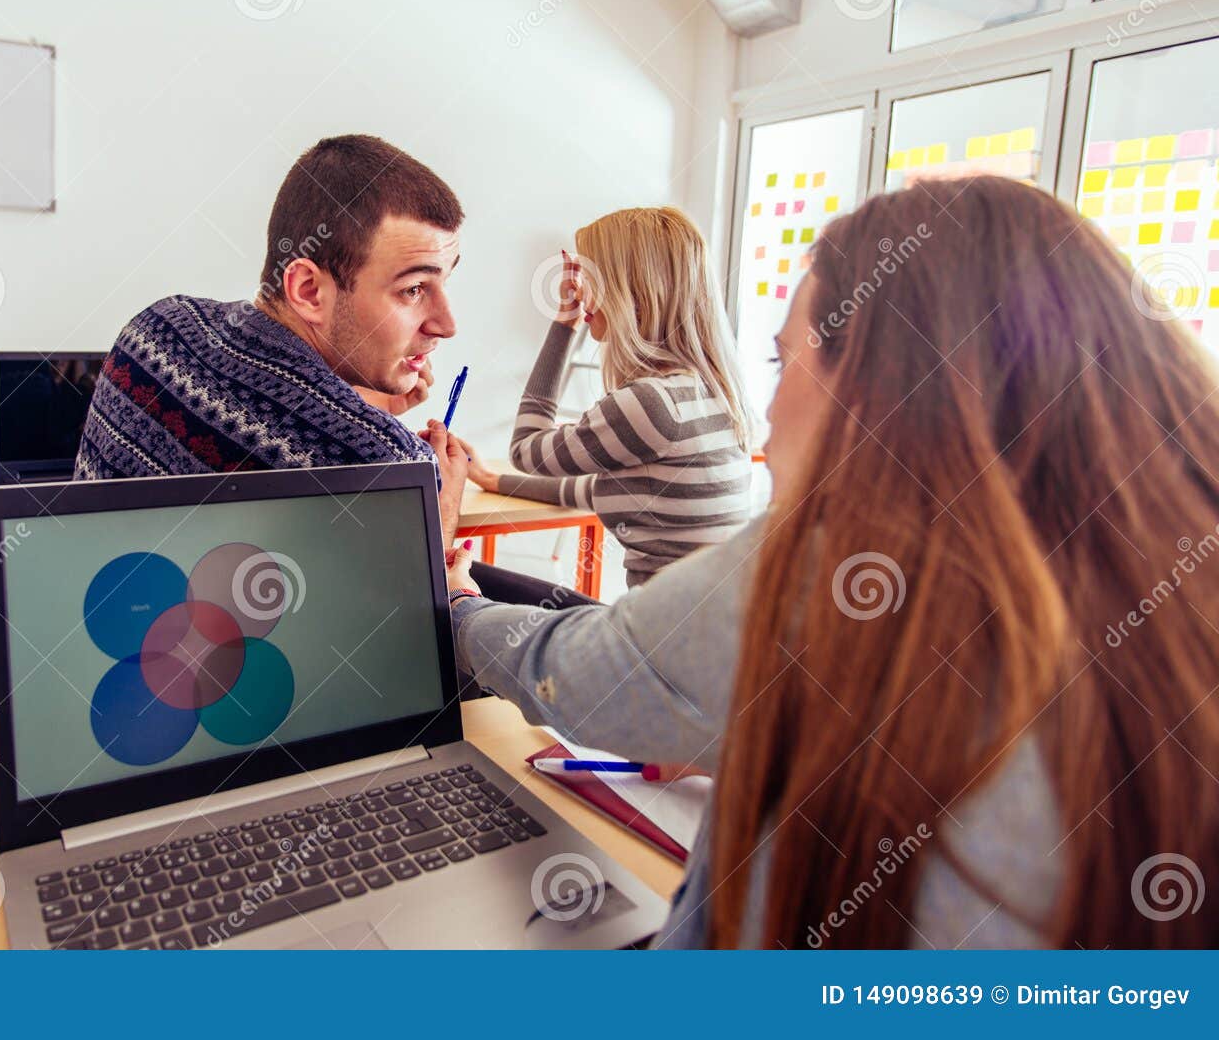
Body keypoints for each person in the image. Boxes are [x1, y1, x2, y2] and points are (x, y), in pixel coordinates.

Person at [445, 176, 1219, 947]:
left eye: (786, 365)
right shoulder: (1156, 597)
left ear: (879, 387)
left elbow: (569, 671)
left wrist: (457, 602)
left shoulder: (833, 567)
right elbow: (586, 484)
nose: (771, 417)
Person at [74, 133, 586, 609]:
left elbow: (257, 421)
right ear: (308, 291)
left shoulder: (158, 324)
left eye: (445, 282)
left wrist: (361, 409)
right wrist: (441, 504)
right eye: (412, 290)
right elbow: (395, 639)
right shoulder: (386, 465)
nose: (447, 324)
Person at [454, 207, 753, 587]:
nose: (584, 293)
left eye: (594, 278)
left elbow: (526, 450)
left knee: (457, 588)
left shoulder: (650, 404)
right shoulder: (710, 394)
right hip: (702, 633)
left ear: (633, 291)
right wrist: (493, 480)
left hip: (658, 636)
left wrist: (565, 324)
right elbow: (597, 491)